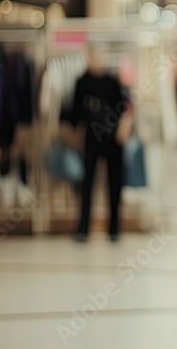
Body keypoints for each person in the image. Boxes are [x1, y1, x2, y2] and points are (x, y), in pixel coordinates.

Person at [70, 46, 132, 242]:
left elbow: (126, 107)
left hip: (113, 140)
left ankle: (114, 228)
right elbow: (74, 113)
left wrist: (123, 129)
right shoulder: (82, 82)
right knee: (87, 183)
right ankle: (83, 228)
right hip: (91, 139)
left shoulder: (112, 82)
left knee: (114, 183)